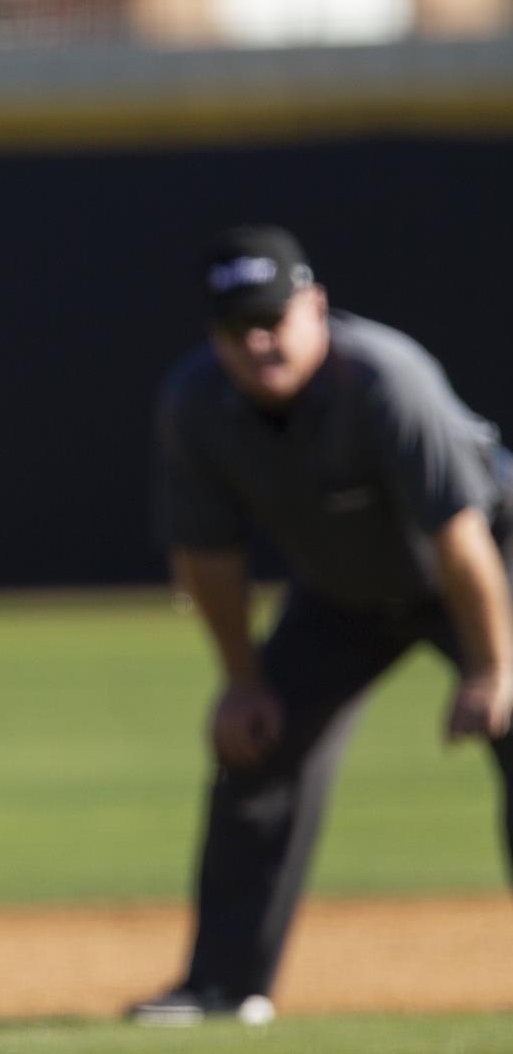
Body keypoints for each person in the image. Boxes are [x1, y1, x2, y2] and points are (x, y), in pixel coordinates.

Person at [130, 224, 513, 1027]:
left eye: (273, 317)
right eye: (237, 326)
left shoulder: (386, 378)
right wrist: (242, 682)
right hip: (345, 590)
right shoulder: (196, 402)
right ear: (214, 335)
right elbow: (209, 558)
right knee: (256, 743)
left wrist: (492, 668)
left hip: (485, 567)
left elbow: (461, 539)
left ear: (316, 307)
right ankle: (223, 986)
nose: (258, 341)